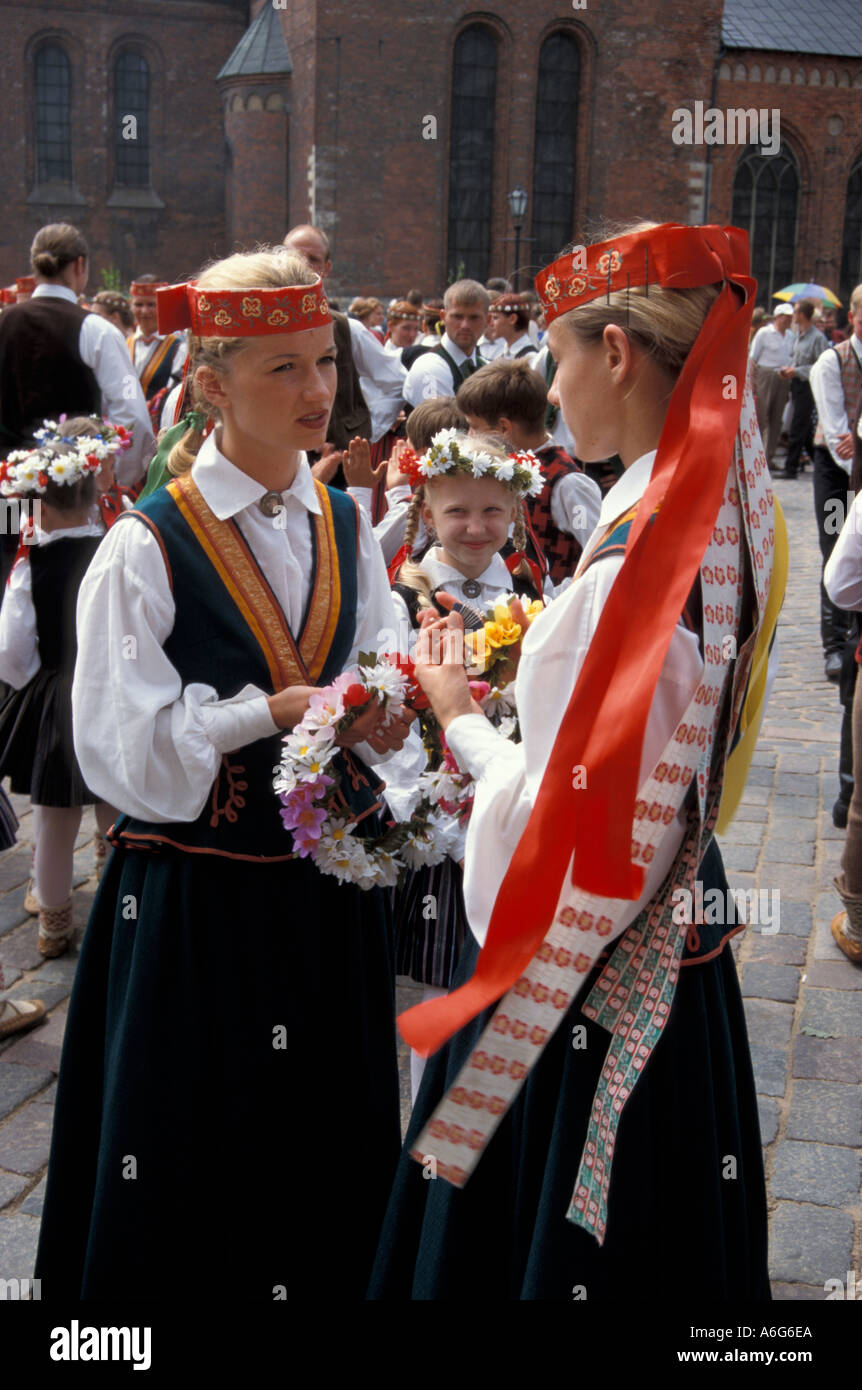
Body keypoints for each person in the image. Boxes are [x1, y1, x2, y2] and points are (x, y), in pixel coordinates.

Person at [368, 221, 784, 1301]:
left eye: (557, 358)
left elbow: (557, 844)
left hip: (584, 977)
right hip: (679, 929)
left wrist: (461, 714)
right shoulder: (724, 502)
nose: (550, 392)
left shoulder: (632, 557)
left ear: (617, 353)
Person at [34, 248, 418, 1300]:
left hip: (324, 906)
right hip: (195, 913)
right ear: (210, 382)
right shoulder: (143, 546)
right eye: (281, 370)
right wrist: (271, 712)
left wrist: (385, 714)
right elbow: (122, 750)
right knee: (190, 1147)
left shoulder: (346, 523)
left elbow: (380, 656)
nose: (316, 393)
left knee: (319, 1151)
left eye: (324, 365)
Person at [389, 431, 545, 1100]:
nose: (476, 528)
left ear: (514, 512)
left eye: (492, 511)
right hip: (441, 812)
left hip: (508, 800)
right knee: (440, 975)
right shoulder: (408, 595)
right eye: (456, 512)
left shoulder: (530, 587)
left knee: (510, 970)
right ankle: (430, 1117)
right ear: (427, 514)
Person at [0, 426, 119, 956]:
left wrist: (27, 681)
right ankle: (119, 896)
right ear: (95, 494)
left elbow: (12, 646)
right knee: (115, 801)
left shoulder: (33, 562)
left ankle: (53, 925)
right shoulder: (115, 548)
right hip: (111, 689)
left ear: (38, 506)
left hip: (56, 695)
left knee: (52, 818)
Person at [0, 223, 154, 482]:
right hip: (72, 495)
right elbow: (132, 413)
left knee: (12, 525)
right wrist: (117, 478)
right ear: (79, 266)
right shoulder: (98, 331)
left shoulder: (3, 322)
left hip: (7, 485)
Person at [456, 358, 602, 585]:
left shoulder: (568, 484)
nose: (470, 436)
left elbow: (599, 553)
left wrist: (558, 598)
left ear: (503, 428)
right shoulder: (500, 468)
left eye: (475, 427)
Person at [283, 225, 405, 471]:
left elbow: (398, 382)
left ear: (326, 268)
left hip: (338, 468)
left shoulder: (348, 329)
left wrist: (364, 428)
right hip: (276, 461)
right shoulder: (258, 328)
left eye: (313, 259)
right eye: (294, 257)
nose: (303, 265)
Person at [810, 285, 862, 689]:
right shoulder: (831, 361)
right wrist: (856, 457)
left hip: (858, 467)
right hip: (835, 470)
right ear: (853, 318)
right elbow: (836, 428)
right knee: (834, 548)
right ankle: (834, 644)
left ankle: (852, 637)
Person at [403, 281, 490, 408]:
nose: (465, 325)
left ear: (488, 321)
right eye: (457, 316)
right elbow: (440, 426)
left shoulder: (486, 366)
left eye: (474, 318)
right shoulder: (429, 366)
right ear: (443, 317)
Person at [127, 275, 188, 427]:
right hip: (126, 427)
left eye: (151, 305)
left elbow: (173, 393)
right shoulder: (124, 343)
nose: (144, 311)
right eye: (139, 305)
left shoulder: (177, 347)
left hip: (158, 426)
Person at [777, 298, 828, 479]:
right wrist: (788, 369)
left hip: (808, 386)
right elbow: (795, 358)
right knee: (805, 429)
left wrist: (796, 371)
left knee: (798, 427)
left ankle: (790, 468)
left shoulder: (817, 338)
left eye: (796, 312)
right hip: (796, 385)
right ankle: (819, 462)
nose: (793, 315)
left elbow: (820, 365)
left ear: (802, 315)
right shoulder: (799, 334)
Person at [749, 304, 793, 468]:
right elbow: (753, 357)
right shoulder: (764, 333)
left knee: (777, 418)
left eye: (790, 316)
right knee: (762, 416)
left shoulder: (790, 335)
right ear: (778, 316)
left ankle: (769, 455)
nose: (788, 320)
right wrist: (752, 380)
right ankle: (756, 455)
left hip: (783, 375)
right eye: (785, 316)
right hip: (765, 375)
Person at [487, 292, 536, 361]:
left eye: (495, 318)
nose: (491, 324)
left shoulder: (530, 358)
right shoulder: (503, 354)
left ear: (512, 319)